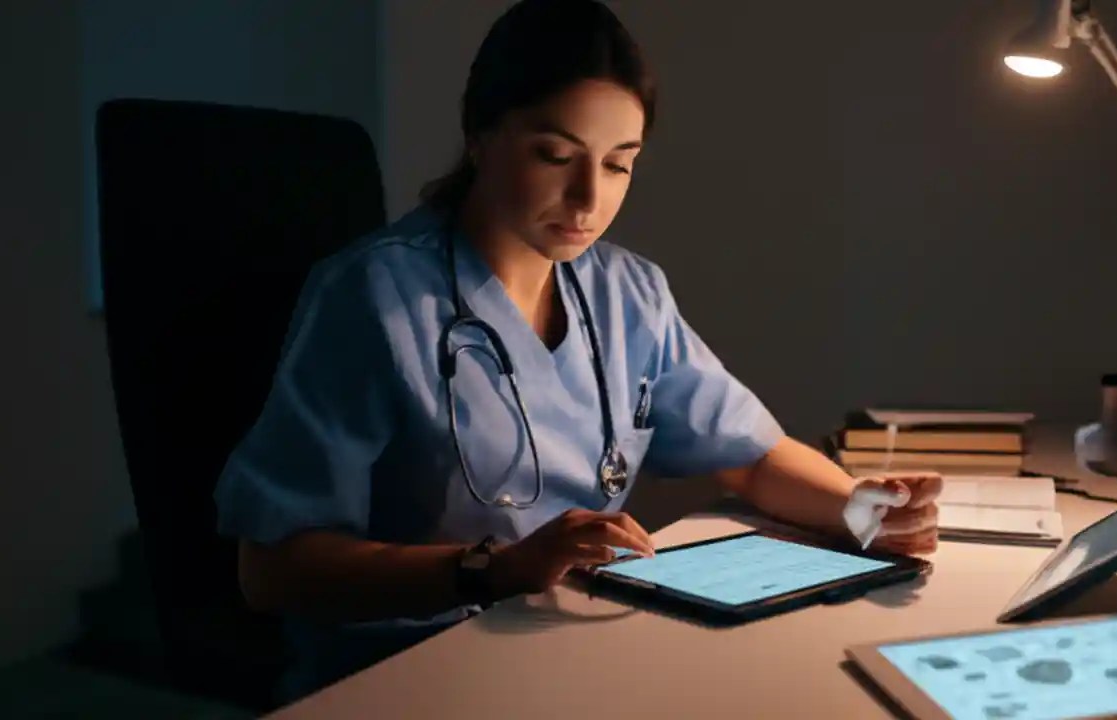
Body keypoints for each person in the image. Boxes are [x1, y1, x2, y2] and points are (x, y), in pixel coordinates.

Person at [214, 0, 942, 703]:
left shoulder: (629, 294)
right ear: (479, 135)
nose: (588, 198)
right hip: (403, 672)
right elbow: (272, 571)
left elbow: (747, 452)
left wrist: (858, 508)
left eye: (619, 163)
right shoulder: (371, 297)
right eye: (555, 155)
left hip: (565, 651)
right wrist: (493, 570)